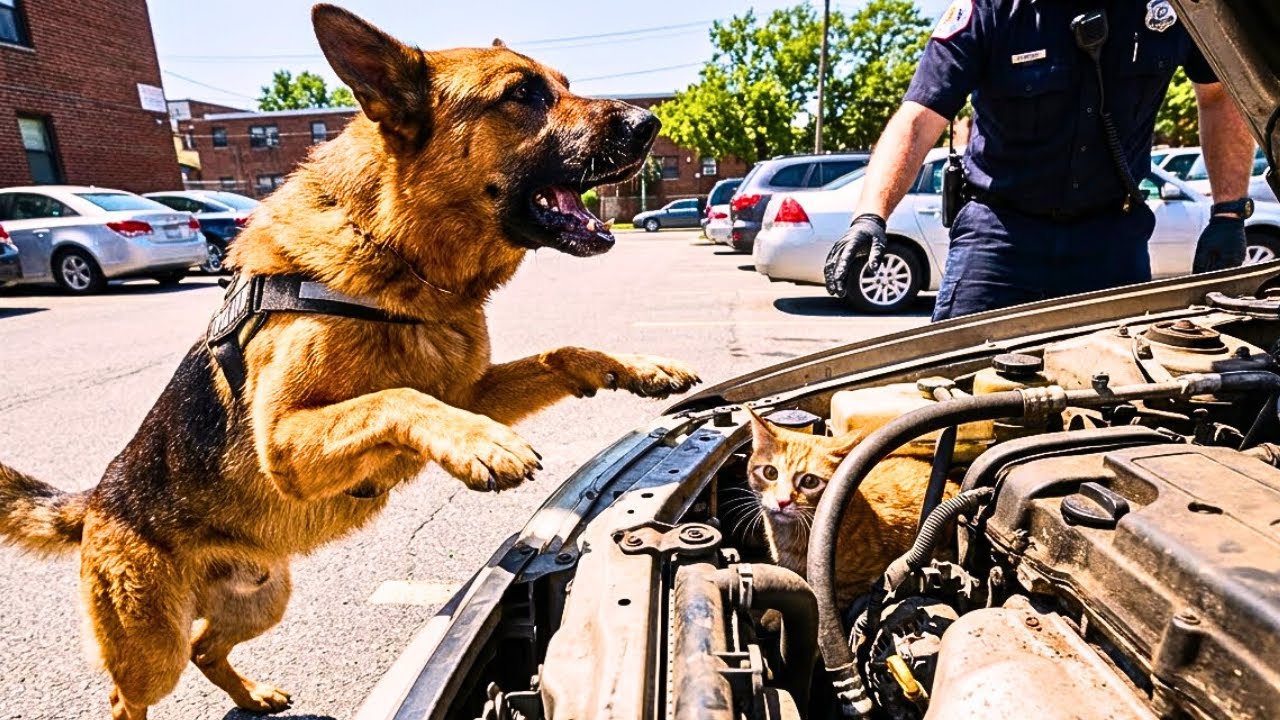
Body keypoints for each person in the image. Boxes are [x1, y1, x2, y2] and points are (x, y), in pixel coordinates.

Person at [823, 0, 1256, 321]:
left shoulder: (1172, 8)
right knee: (957, 396)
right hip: (999, 241)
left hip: (1111, 241)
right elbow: (919, 117)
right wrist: (870, 216)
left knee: (1117, 407)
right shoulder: (992, 9)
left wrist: (1229, 213)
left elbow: (1221, 94)